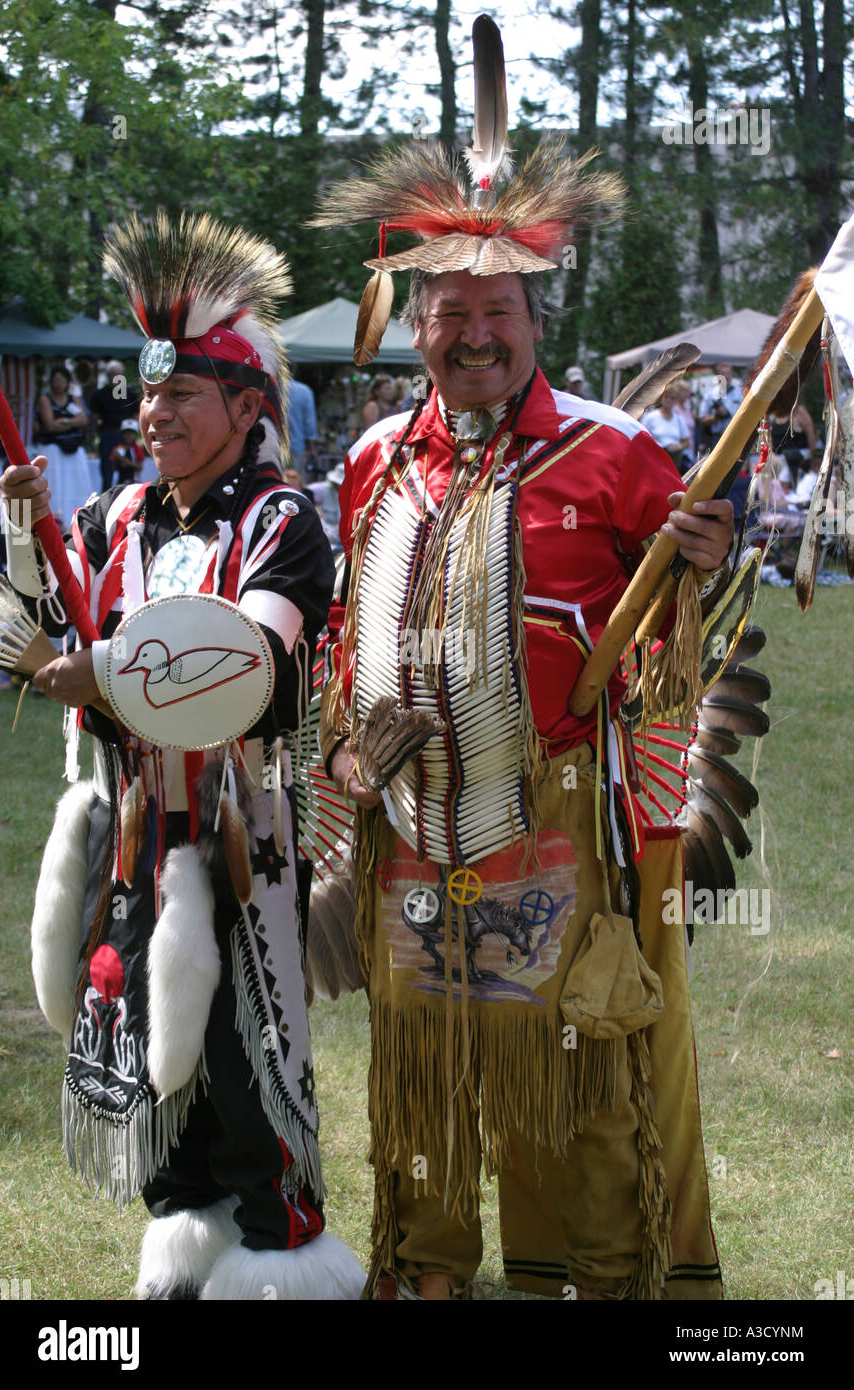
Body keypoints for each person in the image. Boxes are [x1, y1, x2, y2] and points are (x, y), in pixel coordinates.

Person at [314, 69, 734, 1302]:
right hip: (408, 823)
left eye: (496, 307)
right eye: (449, 312)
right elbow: (349, 620)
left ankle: (610, 1284)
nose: (474, 333)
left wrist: (701, 559)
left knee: (584, 1073)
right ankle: (428, 1279)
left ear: (532, 321)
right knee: (425, 1075)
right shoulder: (374, 461)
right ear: (415, 326)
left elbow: (685, 616)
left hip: (553, 820)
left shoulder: (613, 456)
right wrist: (343, 752)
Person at [0, 212, 363, 1301]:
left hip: (240, 832)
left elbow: (238, 663)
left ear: (247, 408)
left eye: (180, 395)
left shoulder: (282, 521)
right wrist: (26, 544)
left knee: (250, 1059)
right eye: (146, 394)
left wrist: (99, 671)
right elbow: (47, 631)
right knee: (151, 1045)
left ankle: (276, 1256)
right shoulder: (119, 519)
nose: (151, 412)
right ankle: (185, 1241)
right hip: (129, 834)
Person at [33, 366, 93, 525]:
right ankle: (55, 518)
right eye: (56, 380)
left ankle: (77, 518)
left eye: (62, 380)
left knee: (75, 485)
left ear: (67, 382)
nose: (58, 384)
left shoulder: (74, 399)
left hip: (73, 450)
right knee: (56, 484)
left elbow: (84, 420)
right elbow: (50, 425)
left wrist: (65, 421)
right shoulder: (45, 399)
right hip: (53, 449)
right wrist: (72, 423)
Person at [89, 359, 141, 492]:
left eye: (119, 374)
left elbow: (137, 414)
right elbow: (94, 417)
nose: (117, 377)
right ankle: (107, 496)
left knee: (128, 470)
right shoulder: (100, 394)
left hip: (128, 436)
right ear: (108, 376)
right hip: (108, 435)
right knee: (108, 469)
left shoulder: (130, 393)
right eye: (113, 374)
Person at [642, 388, 693, 473]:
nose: (669, 400)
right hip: (654, 459)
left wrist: (678, 446)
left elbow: (687, 442)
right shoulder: (650, 417)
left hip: (673, 461)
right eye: (666, 397)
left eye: (672, 398)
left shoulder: (679, 419)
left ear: (676, 401)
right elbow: (642, 437)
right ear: (661, 398)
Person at [286, 369, 318, 478]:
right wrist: (312, 448)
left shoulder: (271, 389)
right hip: (297, 445)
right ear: (294, 371)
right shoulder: (304, 391)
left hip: (274, 446)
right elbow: (309, 422)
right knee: (295, 482)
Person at [108, 418, 146, 484]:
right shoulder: (117, 448)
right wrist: (115, 459)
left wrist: (123, 459)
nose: (129, 436)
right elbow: (112, 467)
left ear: (135, 435)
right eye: (126, 433)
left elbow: (139, 467)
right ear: (122, 434)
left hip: (134, 481)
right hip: (119, 482)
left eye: (131, 434)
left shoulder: (138, 449)